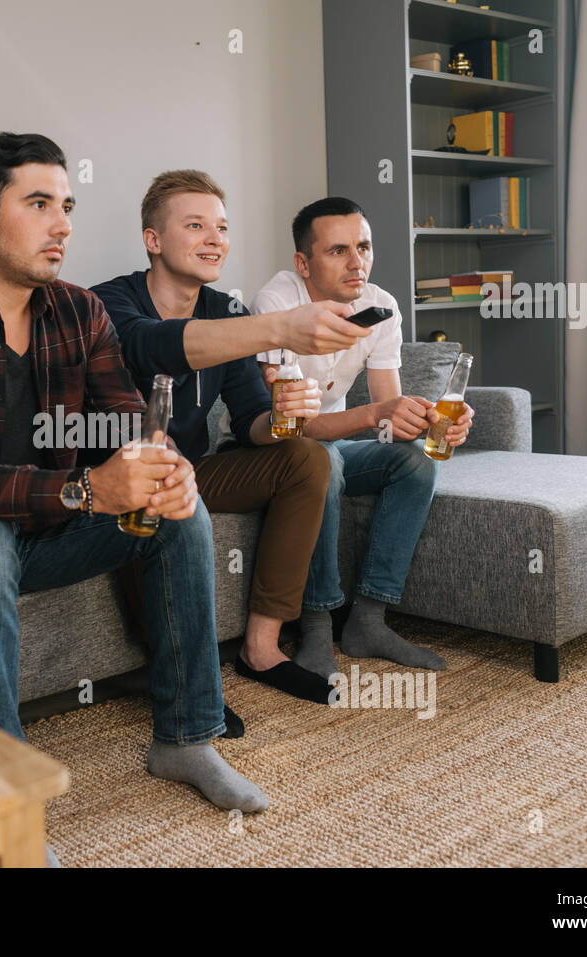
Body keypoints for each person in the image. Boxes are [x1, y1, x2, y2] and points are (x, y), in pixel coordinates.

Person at [0, 134, 271, 836]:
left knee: (183, 513)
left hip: (45, 535)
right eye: (40, 203)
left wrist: (159, 469)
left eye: (68, 206)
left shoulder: (81, 312)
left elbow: (122, 429)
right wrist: (85, 492)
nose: (63, 225)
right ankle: (8, 799)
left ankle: (185, 737)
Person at [92, 170, 372, 704]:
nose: (215, 238)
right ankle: (174, 671)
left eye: (221, 227)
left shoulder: (227, 310)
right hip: (123, 478)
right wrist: (280, 328)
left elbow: (251, 424)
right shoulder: (106, 304)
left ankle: (262, 649)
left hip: (194, 470)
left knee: (305, 457)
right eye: (195, 225)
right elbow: (152, 347)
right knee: (160, 482)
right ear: (153, 240)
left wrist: (286, 415)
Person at [251, 197, 474, 679]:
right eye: (338, 251)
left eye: (364, 247)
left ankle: (369, 621)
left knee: (415, 462)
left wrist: (432, 422)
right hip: (275, 448)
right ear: (302, 262)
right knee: (320, 462)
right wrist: (377, 413)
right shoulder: (278, 304)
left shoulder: (382, 306)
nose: (358, 262)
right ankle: (316, 627)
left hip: (336, 443)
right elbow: (296, 427)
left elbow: (387, 422)